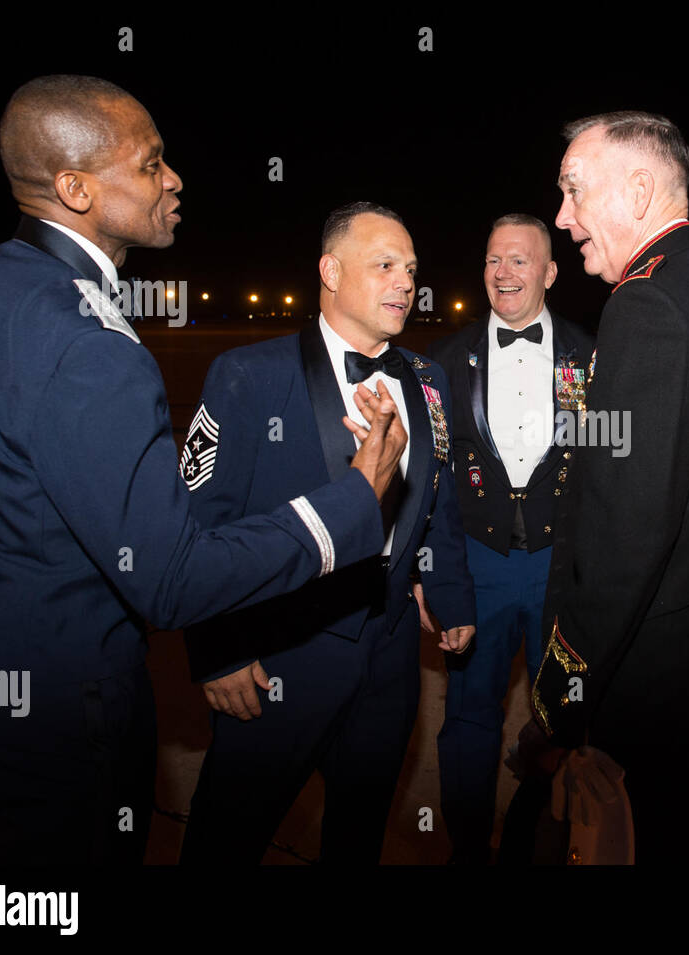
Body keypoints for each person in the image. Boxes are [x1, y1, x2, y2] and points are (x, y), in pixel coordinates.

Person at [0, 77, 406, 865]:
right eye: (150, 165)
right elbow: (171, 577)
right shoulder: (89, 343)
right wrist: (350, 502)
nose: (175, 178)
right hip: (60, 721)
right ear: (76, 188)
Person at [519, 111, 689, 863]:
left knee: (614, 838)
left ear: (639, 189)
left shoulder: (649, 305)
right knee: (672, 829)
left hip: (637, 667)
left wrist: (559, 697)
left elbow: (623, 534)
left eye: (575, 191)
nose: (563, 217)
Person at [179, 203, 476, 864]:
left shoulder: (428, 381)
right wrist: (218, 651)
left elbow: (438, 496)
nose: (406, 282)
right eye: (385, 265)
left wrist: (449, 593)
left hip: (391, 660)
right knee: (225, 840)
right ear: (331, 271)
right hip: (280, 655)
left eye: (411, 269)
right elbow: (202, 525)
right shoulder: (248, 376)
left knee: (358, 838)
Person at [430, 214, 594, 864]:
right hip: (480, 563)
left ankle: (542, 832)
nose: (503, 272)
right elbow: (433, 484)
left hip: (562, 566)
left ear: (550, 272)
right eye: (494, 260)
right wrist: (436, 577)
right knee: (470, 714)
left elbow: (608, 464)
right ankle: (469, 843)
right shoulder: (447, 360)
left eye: (519, 260)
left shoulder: (589, 357)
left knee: (566, 710)